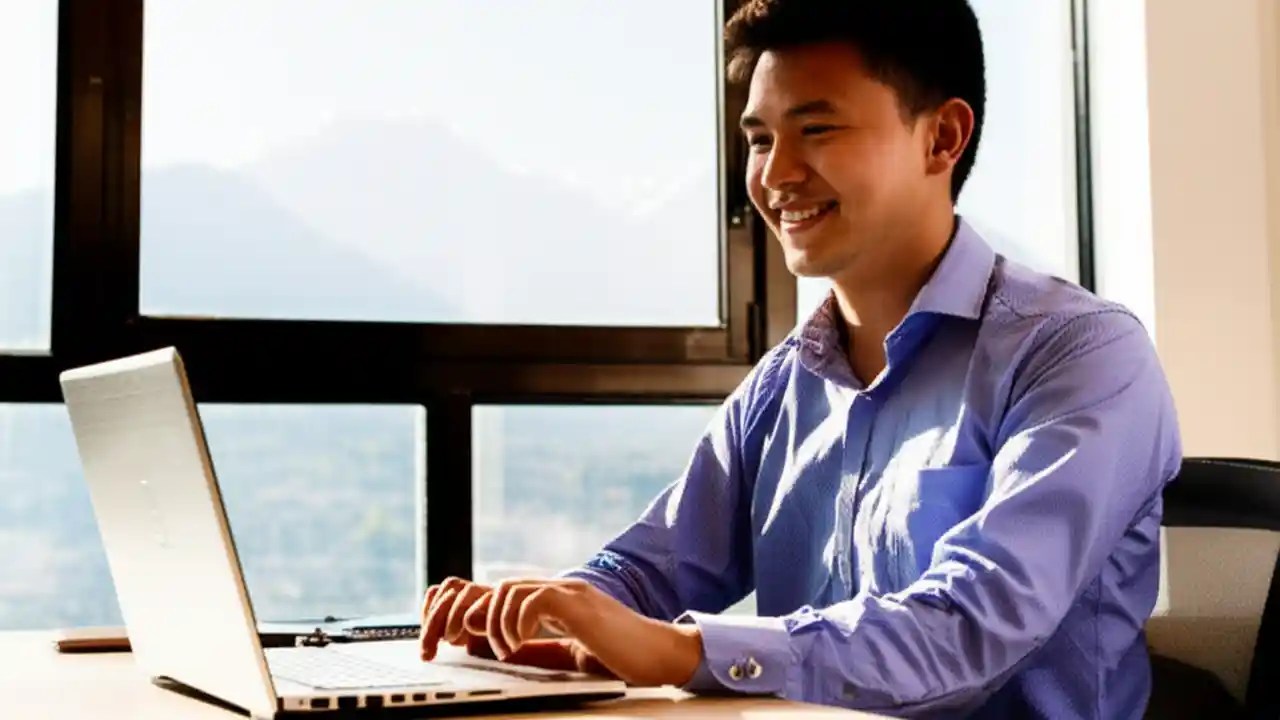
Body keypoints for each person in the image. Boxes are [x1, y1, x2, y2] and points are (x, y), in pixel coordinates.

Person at [418, 0, 1182, 717]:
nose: (776, 174)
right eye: (758, 139)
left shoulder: (1080, 354)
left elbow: (968, 625)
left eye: (816, 130)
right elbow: (648, 571)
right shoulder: (782, 387)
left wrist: (679, 649)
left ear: (942, 138)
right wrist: (542, 614)